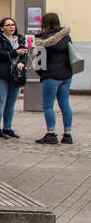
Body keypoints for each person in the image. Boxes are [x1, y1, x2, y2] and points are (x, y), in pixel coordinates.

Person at [32, 11, 74, 144]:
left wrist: (42, 74)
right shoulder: (66, 36)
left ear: (45, 23)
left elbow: (40, 62)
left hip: (51, 75)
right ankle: (67, 135)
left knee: (48, 105)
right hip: (66, 75)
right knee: (65, 105)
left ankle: (51, 134)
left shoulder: (43, 40)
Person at [0, 16, 26, 139]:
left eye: (13, 25)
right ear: (2, 27)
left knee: (11, 103)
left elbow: (24, 53)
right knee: (0, 102)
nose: (11, 27)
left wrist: (22, 62)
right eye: (8, 25)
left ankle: (7, 128)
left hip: (15, 75)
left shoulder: (19, 39)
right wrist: (15, 53)